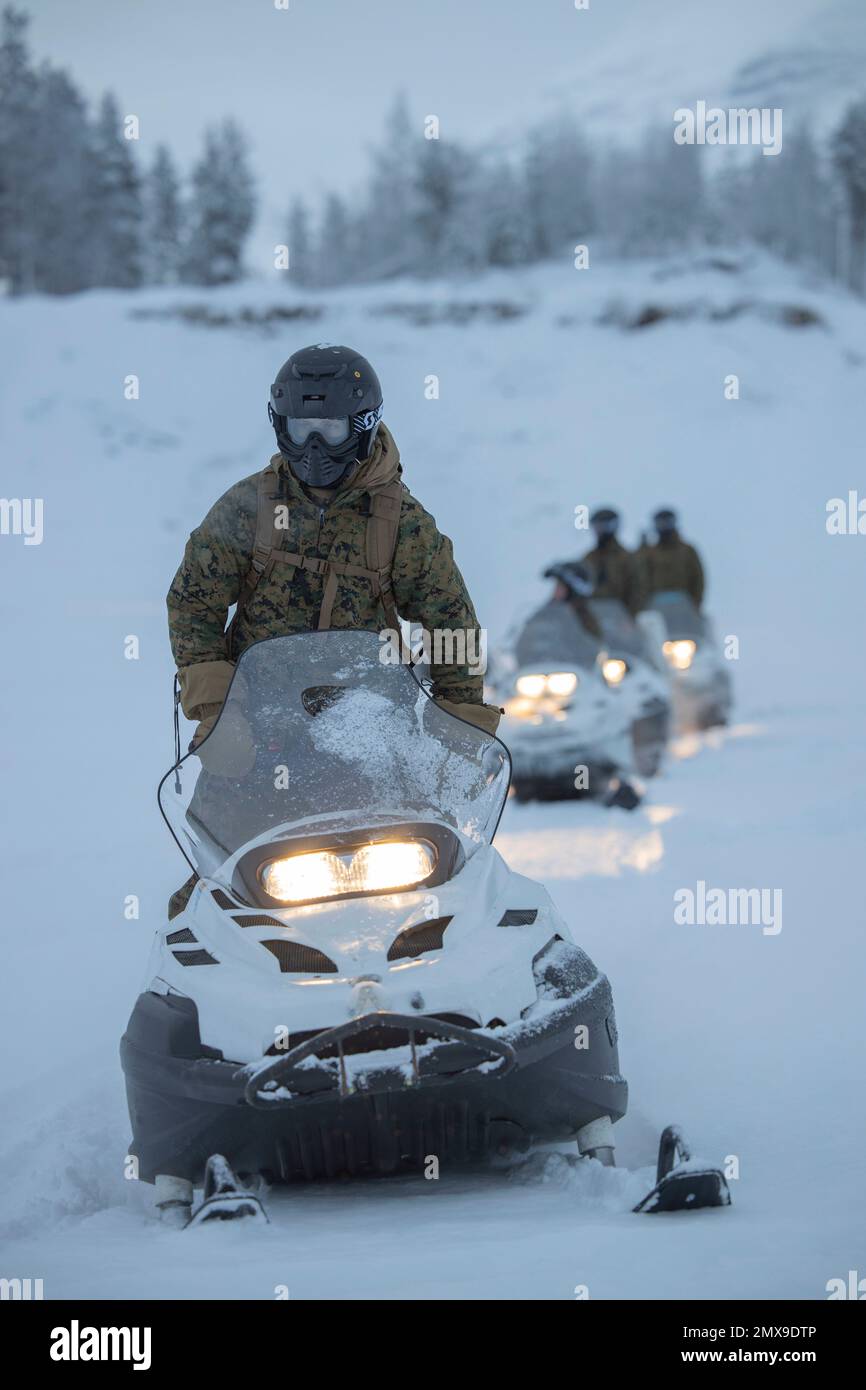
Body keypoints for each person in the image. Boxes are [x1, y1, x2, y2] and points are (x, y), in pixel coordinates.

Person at [166, 343, 500, 918]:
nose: (313, 447)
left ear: (364, 424)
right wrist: (219, 713)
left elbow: (452, 621)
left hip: (368, 719)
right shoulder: (248, 506)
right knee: (214, 876)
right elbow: (193, 603)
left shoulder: (401, 522)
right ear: (280, 426)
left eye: (330, 427)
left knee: (441, 859)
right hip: (258, 724)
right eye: (301, 428)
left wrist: (461, 724)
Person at [580, 506, 642, 615]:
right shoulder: (588, 558)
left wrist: (631, 618)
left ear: (612, 527)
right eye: (595, 527)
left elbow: (638, 591)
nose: (598, 531)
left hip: (621, 618)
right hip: (593, 619)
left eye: (601, 527)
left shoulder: (627, 558)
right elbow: (580, 589)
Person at [639, 508, 705, 608]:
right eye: (660, 523)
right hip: (657, 607)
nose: (663, 527)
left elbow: (698, 579)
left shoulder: (687, 551)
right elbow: (640, 577)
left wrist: (695, 604)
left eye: (666, 523)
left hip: (683, 607)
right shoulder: (649, 553)